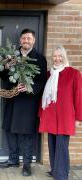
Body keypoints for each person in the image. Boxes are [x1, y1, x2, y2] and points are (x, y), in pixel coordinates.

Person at [0, 29, 47, 176]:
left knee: (27, 134)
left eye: (29, 38)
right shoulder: (11, 56)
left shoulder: (39, 58)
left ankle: (26, 164)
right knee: (9, 130)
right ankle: (13, 159)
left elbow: (42, 81)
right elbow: (2, 75)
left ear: (34, 40)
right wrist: (5, 66)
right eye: (24, 38)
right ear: (20, 40)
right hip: (11, 98)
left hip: (28, 102)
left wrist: (30, 88)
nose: (26, 40)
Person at [39, 45, 82, 180]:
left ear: (64, 57)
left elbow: (78, 96)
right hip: (50, 115)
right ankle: (55, 170)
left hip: (65, 117)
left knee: (62, 146)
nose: (57, 59)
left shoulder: (73, 73)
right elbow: (44, 96)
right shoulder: (49, 74)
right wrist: (41, 114)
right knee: (52, 144)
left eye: (59, 56)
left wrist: (79, 118)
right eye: (55, 56)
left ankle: (62, 174)